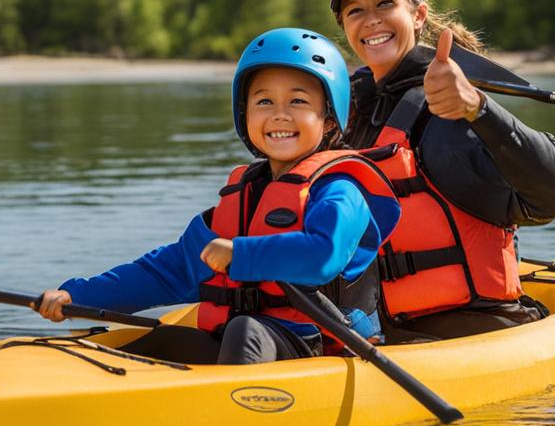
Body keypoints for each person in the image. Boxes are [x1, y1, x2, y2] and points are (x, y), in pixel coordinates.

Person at [37, 28, 401, 365]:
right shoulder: (243, 195)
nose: (279, 115)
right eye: (263, 102)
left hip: (318, 347)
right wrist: (79, 296)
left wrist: (241, 255)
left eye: (298, 101)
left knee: (246, 330)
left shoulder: (342, 191)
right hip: (244, 341)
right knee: (159, 343)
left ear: (329, 119)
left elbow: (323, 255)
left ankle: (240, 423)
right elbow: (171, 271)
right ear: (245, 115)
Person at [329, 0, 555, 342]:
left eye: (385, 3)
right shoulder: (351, 115)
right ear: (344, 25)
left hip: (474, 331)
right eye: (355, 10)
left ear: (418, 14)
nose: (371, 20)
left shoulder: (446, 114)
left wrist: (479, 109)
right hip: (380, 334)